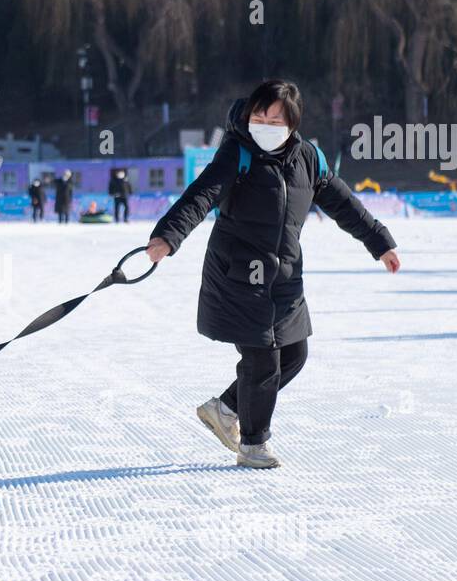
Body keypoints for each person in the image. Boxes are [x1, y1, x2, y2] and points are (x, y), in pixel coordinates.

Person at [145, 79, 401, 469]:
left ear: (292, 123)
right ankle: (253, 443)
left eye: (273, 118)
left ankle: (226, 409)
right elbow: (202, 194)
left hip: (284, 277)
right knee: (263, 358)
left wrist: (379, 241)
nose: (263, 123)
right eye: (258, 115)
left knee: (295, 354)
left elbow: (343, 204)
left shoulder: (308, 159)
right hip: (239, 274)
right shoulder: (237, 152)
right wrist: (168, 235)